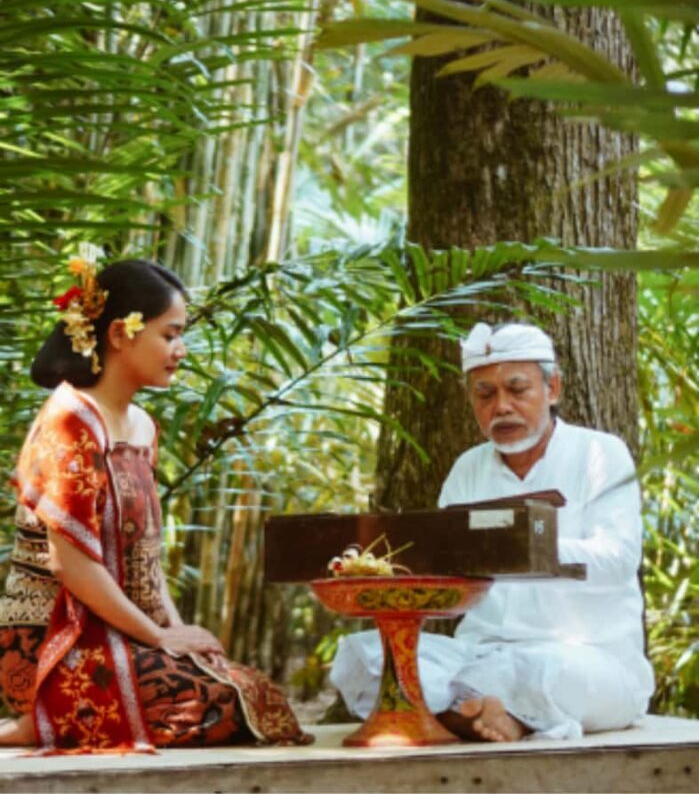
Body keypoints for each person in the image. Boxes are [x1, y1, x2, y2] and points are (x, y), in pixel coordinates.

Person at [0, 252, 311, 751]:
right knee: (210, 706)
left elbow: (145, 559)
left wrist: (176, 629)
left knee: (258, 696)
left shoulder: (142, 426)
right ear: (121, 334)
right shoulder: (68, 421)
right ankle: (39, 715)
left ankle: (57, 720)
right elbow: (70, 564)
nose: (180, 349)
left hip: (123, 628)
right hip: (57, 639)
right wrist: (160, 638)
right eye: (170, 334)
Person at [330, 321, 654, 742]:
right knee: (368, 656)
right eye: (485, 395)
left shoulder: (598, 452)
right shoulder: (468, 468)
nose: (501, 407)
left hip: (589, 659)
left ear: (552, 388)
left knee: (544, 672)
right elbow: (443, 567)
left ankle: (469, 716)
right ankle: (491, 717)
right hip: (479, 656)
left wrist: (519, 546)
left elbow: (618, 558)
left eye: (517, 390)